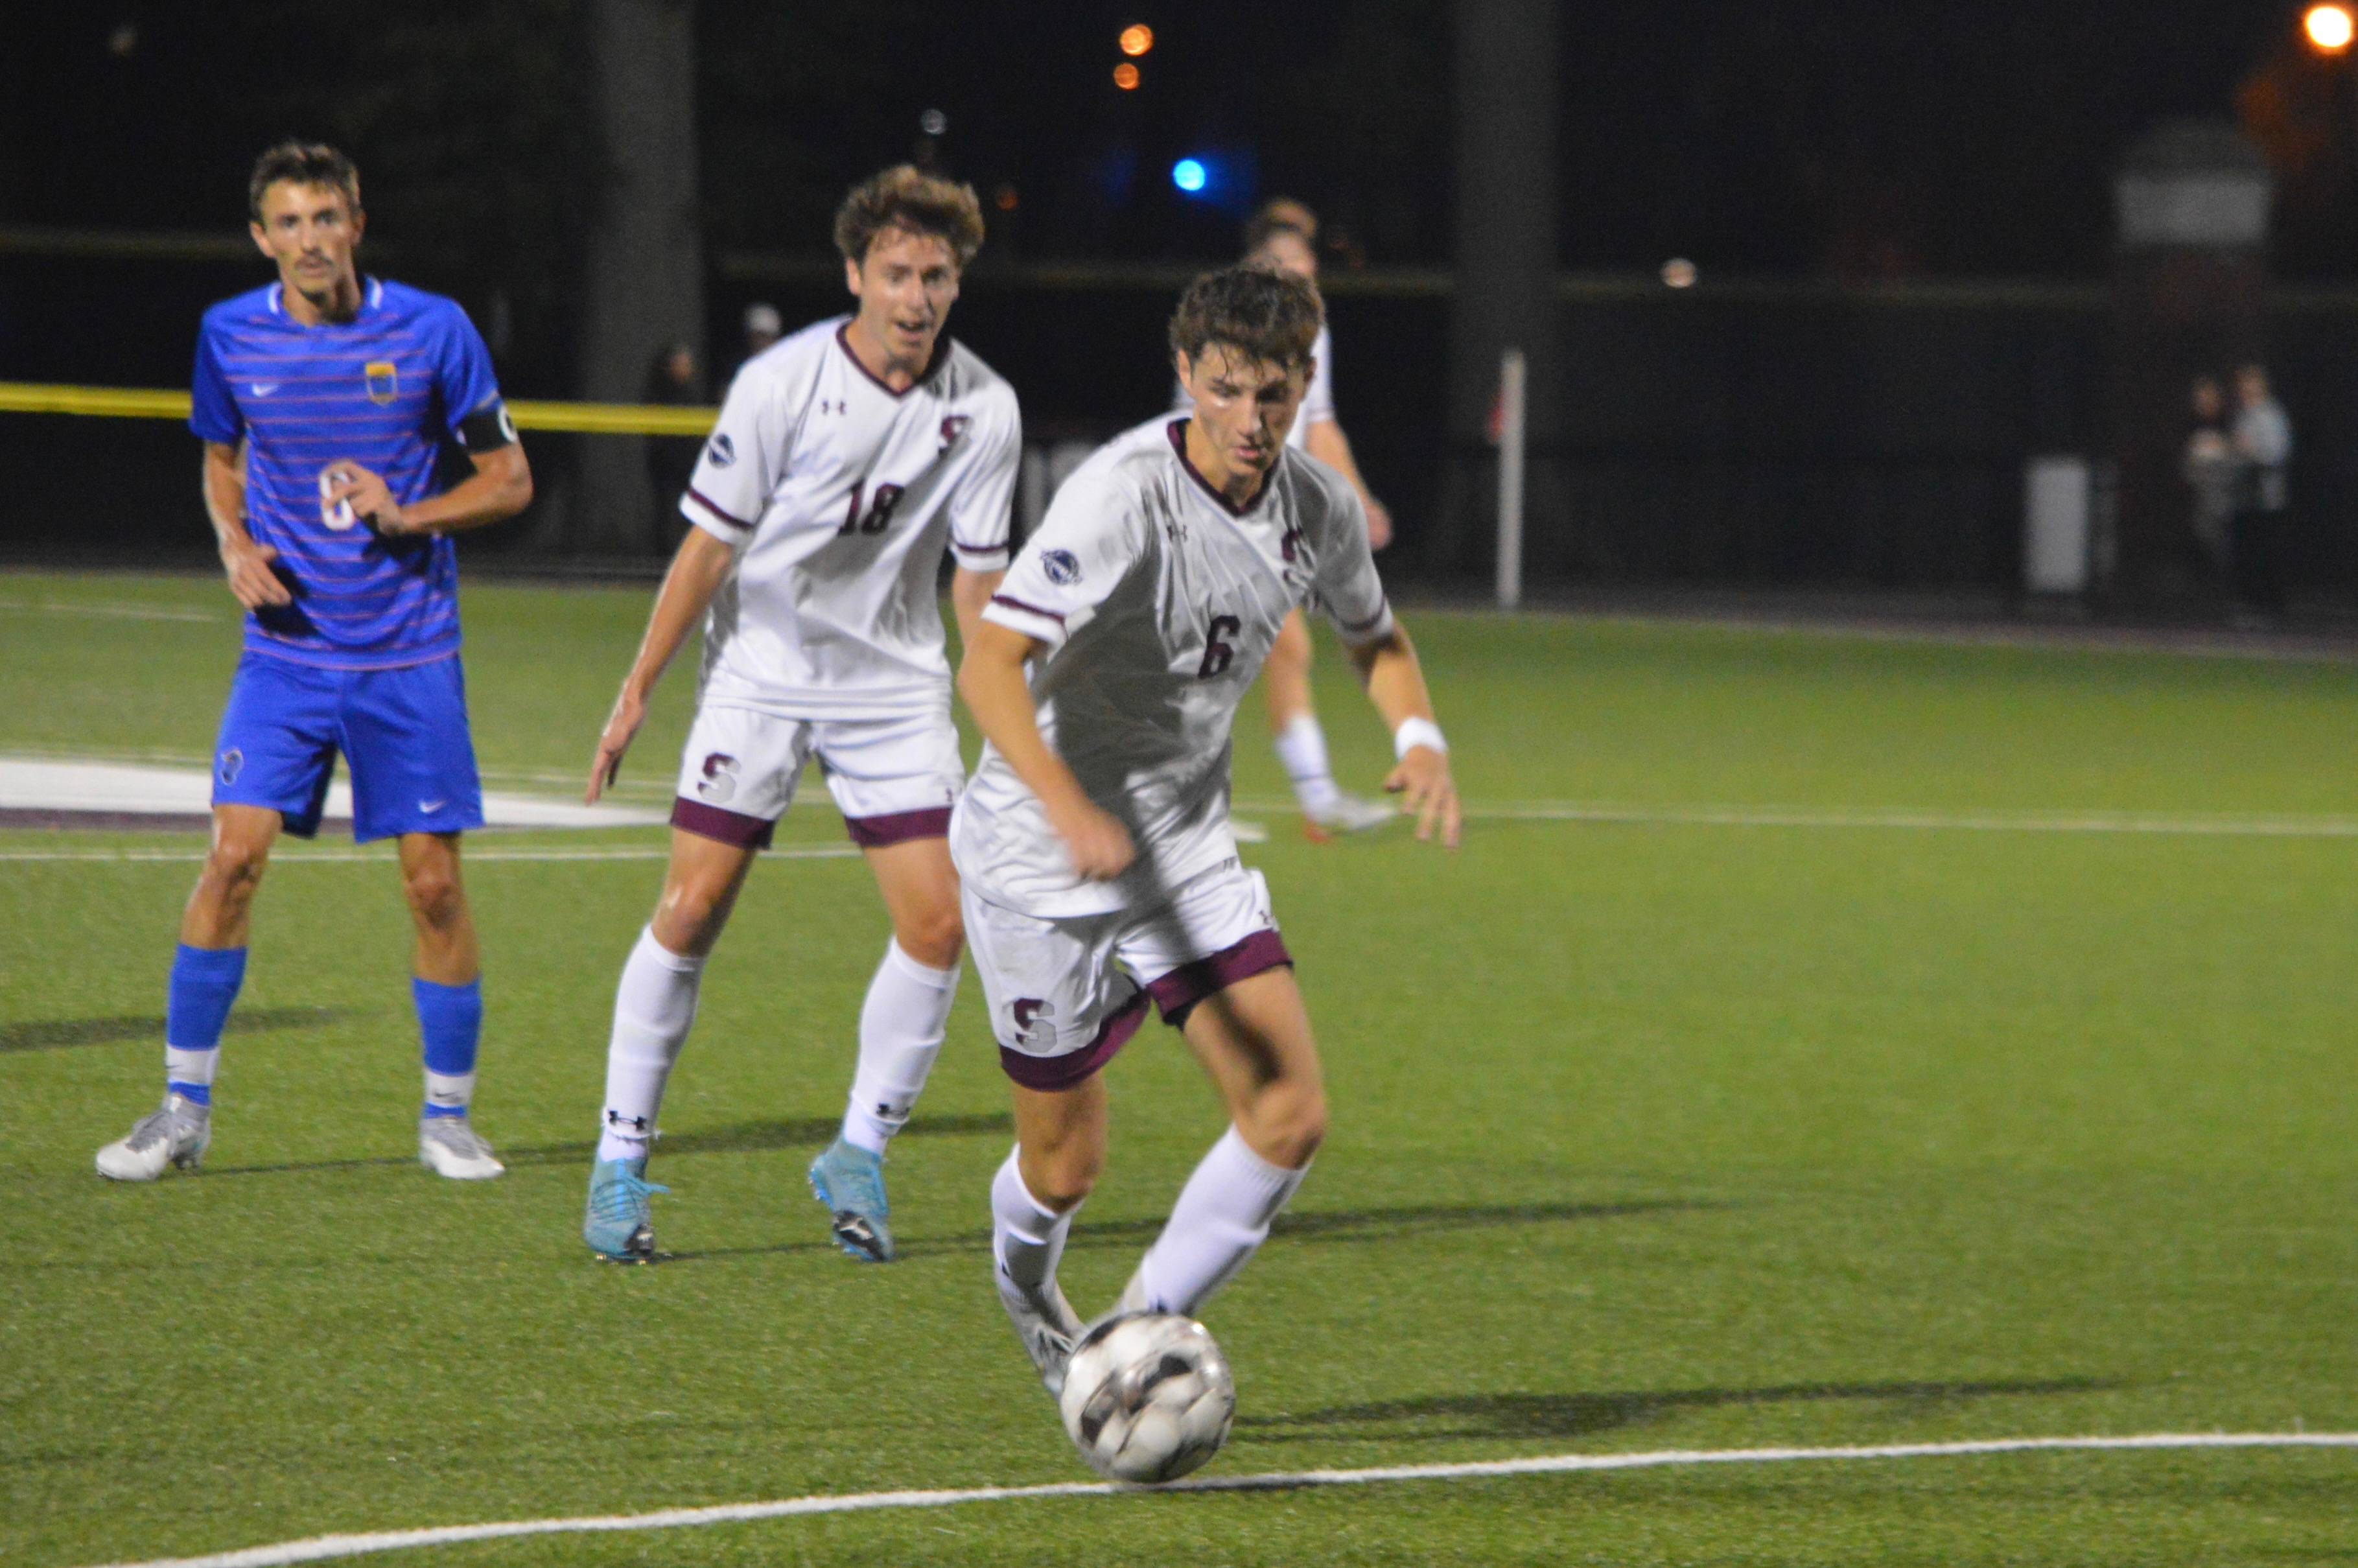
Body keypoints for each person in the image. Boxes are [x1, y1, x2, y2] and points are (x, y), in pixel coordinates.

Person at [956, 266, 1460, 1395]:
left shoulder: (1316, 506)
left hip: (1178, 851)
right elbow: (987, 663)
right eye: (1226, 390)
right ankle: (1029, 1291)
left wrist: (1418, 733)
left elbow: (1373, 637)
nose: (1249, 419)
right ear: (1185, 375)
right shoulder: (1118, 494)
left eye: (1274, 394)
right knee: (1062, 1164)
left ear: (1302, 385)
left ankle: (1134, 1336)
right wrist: (1064, 801)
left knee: (1287, 1111)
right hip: (1036, 854)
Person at [579, 167, 1019, 1263]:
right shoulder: (779, 384)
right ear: (854, 275)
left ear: (957, 282)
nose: (916, 296)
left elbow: (975, 589)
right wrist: (638, 687)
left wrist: (1013, 720)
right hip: (762, 673)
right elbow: (709, 544)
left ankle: (858, 1151)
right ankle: (618, 1161)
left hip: (893, 684)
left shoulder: (986, 407)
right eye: (896, 273)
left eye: (936, 275)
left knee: (940, 919)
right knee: (690, 908)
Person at [95, 141, 533, 1182]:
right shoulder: (228, 333)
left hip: (408, 656)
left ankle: (447, 1117)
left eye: (325, 219)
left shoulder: (433, 329)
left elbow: (511, 479)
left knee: (432, 886)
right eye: (288, 224)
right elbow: (220, 457)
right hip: (285, 656)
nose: (309, 241)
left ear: (356, 225)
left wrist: (411, 511)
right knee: (231, 859)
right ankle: (181, 1110)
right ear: (262, 238)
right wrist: (234, 544)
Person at [1176, 200, 1397, 840]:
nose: (1301, 280)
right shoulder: (1223, 330)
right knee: (1246, 653)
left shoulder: (1308, 335)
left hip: (1260, 516)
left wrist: (1357, 497)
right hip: (1209, 506)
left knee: (1268, 654)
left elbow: (1318, 427)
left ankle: (1310, 798)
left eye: (1306, 268)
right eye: (1285, 268)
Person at [2229, 363, 2292, 622]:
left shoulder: (2271, 415)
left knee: (2266, 552)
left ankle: (2270, 608)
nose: (2246, 390)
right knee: (2246, 551)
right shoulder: (2244, 415)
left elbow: (2277, 453)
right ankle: (2250, 604)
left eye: (2251, 384)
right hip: (2245, 495)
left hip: (2267, 495)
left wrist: (2251, 451)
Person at [641, 342, 704, 551]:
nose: (686, 368)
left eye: (688, 363)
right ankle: (659, 563)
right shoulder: (657, 392)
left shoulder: (690, 395)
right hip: (665, 465)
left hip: (688, 466)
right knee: (666, 515)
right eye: (680, 363)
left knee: (690, 517)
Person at [2182, 376, 2234, 571]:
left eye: (2210, 398)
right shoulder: (2191, 424)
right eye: (2201, 399)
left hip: (2225, 491)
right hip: (2200, 490)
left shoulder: (2228, 422)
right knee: (2202, 532)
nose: (2206, 403)